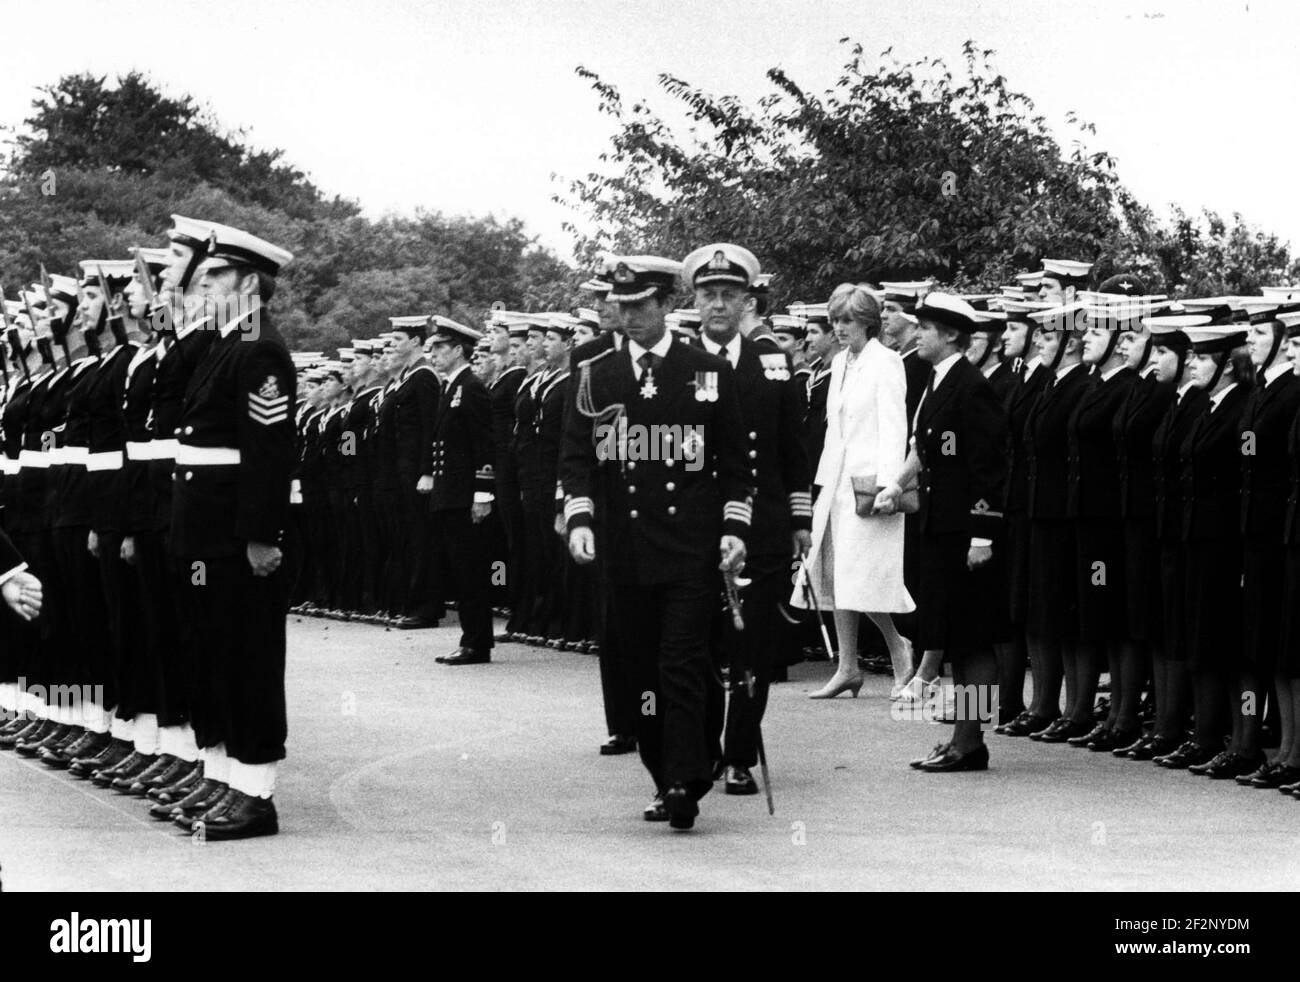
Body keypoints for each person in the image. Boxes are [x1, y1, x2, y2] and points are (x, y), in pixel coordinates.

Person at [561, 254, 751, 831]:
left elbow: (735, 461)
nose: (630, 316)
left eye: (642, 305)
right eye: (622, 307)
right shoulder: (596, 372)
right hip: (626, 547)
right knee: (640, 671)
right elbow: (576, 457)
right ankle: (661, 770)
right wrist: (580, 519)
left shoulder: (704, 369)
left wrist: (735, 528)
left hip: (689, 547)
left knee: (682, 663)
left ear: (667, 305)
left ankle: (684, 776)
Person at [166, 222, 296, 840]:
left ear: (250, 282)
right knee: (209, 656)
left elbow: (268, 452)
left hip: (233, 534)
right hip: (202, 530)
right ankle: (221, 776)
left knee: (247, 659)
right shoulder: (223, 343)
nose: (204, 285)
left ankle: (256, 794)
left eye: (216, 276)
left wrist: (261, 535)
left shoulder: (260, 349)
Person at [686, 243, 810, 797]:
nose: (718, 304)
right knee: (703, 645)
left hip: (760, 524)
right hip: (695, 526)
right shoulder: (677, 364)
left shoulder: (773, 363)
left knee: (753, 645)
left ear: (746, 301)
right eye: (709, 294)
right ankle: (704, 750)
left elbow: (792, 446)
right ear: (695, 301)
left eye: (729, 295)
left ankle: (739, 755)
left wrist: (799, 519)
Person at [877, 293, 1010, 771]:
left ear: (951, 334)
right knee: (954, 635)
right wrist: (898, 484)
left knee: (972, 639)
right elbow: (926, 448)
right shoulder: (941, 381)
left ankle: (969, 742)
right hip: (940, 527)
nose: (917, 335)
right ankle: (962, 738)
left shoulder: (971, 387)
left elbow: (988, 467)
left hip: (965, 534)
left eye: (926, 329)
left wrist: (982, 535)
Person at [796, 283, 915, 700]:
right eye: (835, 320)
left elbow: (895, 426)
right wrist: (822, 484)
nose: (839, 328)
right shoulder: (842, 362)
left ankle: (900, 649)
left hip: (871, 487)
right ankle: (848, 667)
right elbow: (836, 429)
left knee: (867, 577)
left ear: (867, 321)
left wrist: (889, 486)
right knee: (838, 573)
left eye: (846, 320)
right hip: (838, 483)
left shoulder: (887, 362)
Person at [1161, 318, 1251, 774]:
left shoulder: (1239, 410)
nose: (1192, 364)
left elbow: (1244, 480)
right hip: (1197, 538)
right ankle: (1208, 736)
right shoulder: (1210, 405)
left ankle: (1237, 741)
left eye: (1202, 358)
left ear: (1228, 368)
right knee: (1200, 640)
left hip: (1223, 543)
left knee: (1223, 646)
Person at [1233, 302, 1300, 786]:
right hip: (1262, 531)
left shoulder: (1290, 392)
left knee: (1287, 649)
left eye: (1262, 333)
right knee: (1268, 648)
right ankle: (1282, 750)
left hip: (1279, 532)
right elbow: (1251, 454)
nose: (1252, 341)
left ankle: (1290, 751)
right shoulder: (1263, 391)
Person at [426, 316, 497, 665]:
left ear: (458, 350)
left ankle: (476, 643)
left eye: (440, 347)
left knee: (471, 571)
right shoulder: (451, 387)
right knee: (461, 569)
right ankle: (472, 638)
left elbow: (484, 444)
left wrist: (482, 494)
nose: (433, 353)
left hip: (466, 494)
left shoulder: (470, 387)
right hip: (450, 493)